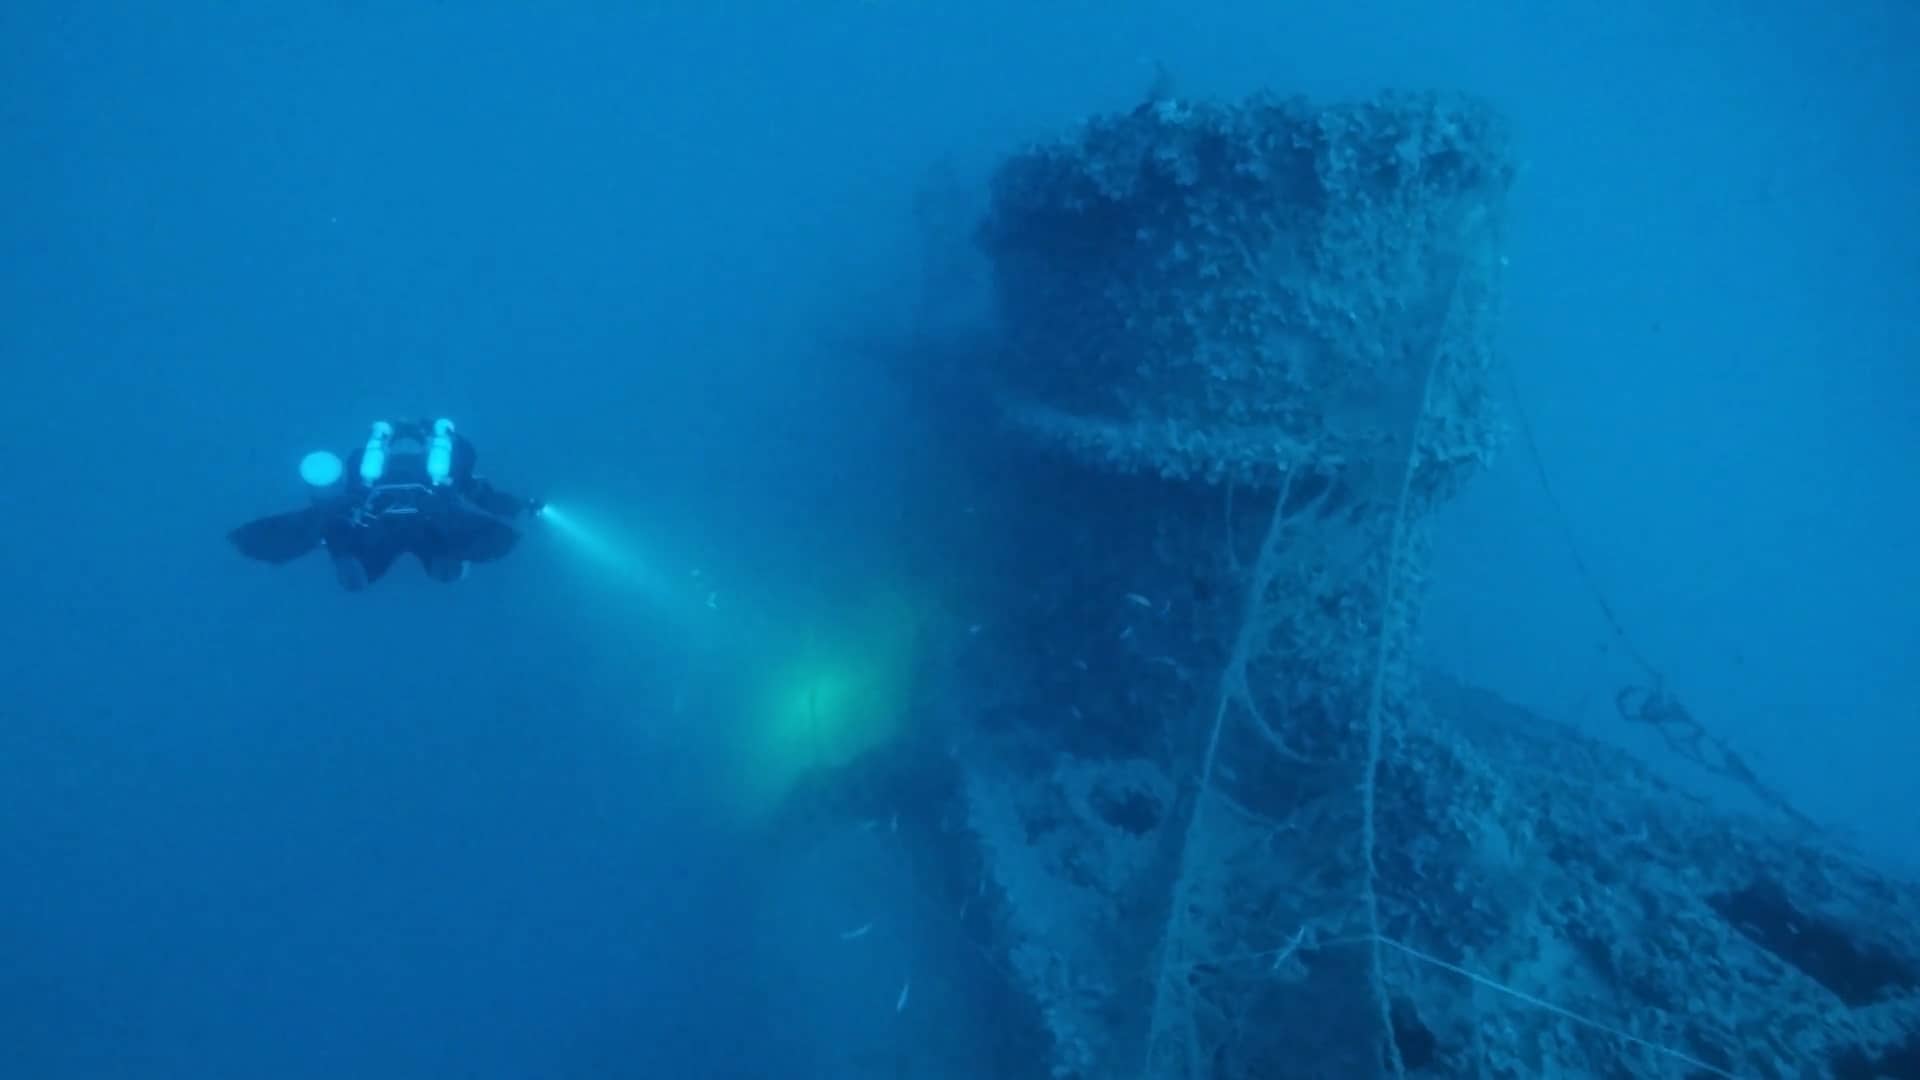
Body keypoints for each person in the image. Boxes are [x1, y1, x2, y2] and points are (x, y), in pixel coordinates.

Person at [229, 418, 543, 590]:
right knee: (445, 558)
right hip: (429, 519)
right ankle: (446, 559)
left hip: (379, 519)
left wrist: (339, 528)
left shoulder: (364, 463)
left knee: (353, 542)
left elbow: (341, 500)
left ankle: (344, 553)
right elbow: (484, 496)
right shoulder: (444, 467)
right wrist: (525, 506)